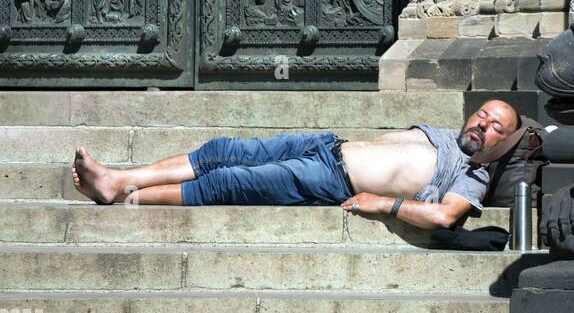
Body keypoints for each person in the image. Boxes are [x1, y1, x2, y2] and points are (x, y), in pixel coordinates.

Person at [71, 101, 521, 227]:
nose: (482, 124)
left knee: (227, 182)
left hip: (331, 179)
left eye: (495, 126)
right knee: (220, 151)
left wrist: (384, 205)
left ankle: (125, 198)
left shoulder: (472, 175)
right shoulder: (443, 134)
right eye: (482, 114)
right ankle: (118, 180)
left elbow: (445, 217)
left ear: (503, 143)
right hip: (324, 146)